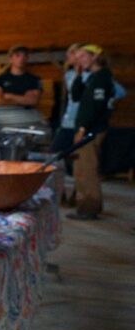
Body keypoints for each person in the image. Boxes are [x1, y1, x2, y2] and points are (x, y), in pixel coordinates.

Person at [68, 45, 114, 221]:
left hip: (91, 131)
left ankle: (89, 208)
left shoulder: (102, 78)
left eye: (82, 56)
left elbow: (94, 107)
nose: (78, 60)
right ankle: (85, 206)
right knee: (80, 168)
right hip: (88, 129)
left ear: (94, 57)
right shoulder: (93, 78)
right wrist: (78, 74)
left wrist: (82, 129)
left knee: (87, 170)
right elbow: (76, 96)